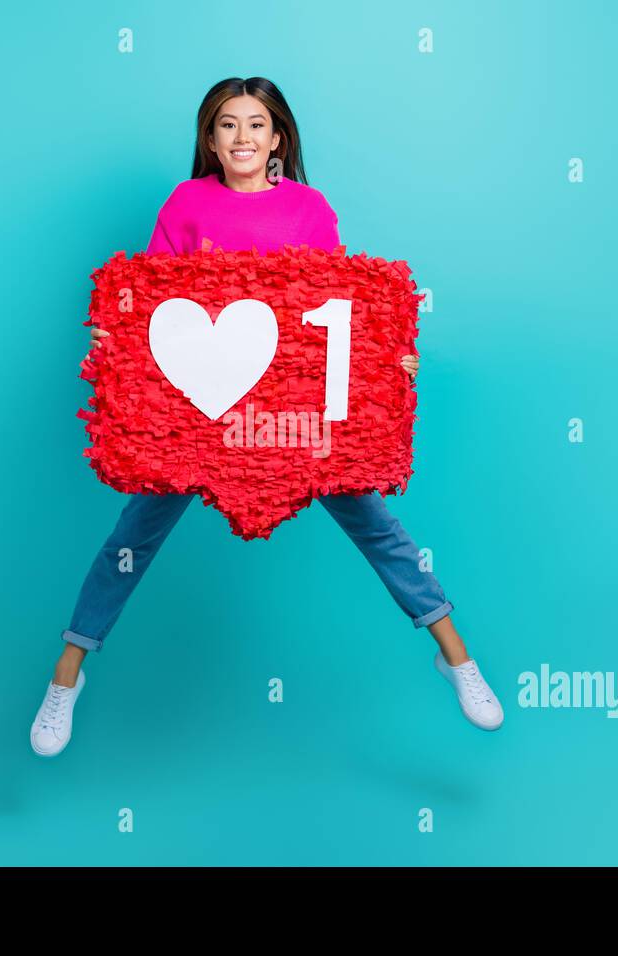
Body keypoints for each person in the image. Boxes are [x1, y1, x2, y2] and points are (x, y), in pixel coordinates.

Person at [31, 77, 503, 757]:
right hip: (202, 411)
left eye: (256, 125)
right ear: (210, 139)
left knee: (374, 522)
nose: (242, 138)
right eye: (227, 125)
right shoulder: (186, 203)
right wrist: (114, 340)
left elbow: (342, 313)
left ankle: (456, 657)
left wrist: (388, 361)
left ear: (278, 137)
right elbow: (154, 302)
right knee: (133, 536)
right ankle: (65, 676)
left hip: (288, 414)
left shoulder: (309, 210)